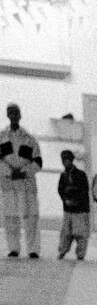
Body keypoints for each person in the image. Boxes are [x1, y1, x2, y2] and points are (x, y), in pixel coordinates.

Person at [0, 101, 42, 258]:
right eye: (10, 112)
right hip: (8, 185)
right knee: (10, 217)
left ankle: (33, 250)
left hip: (27, 184)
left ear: (20, 115)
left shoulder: (29, 140)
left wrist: (23, 173)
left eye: (15, 112)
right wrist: (9, 173)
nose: (13, 115)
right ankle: (13, 248)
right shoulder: (1, 138)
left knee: (31, 217)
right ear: (7, 115)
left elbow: (37, 162)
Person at [56, 150, 91, 261]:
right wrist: (66, 200)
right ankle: (62, 251)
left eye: (67, 160)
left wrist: (75, 200)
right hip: (68, 209)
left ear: (71, 160)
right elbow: (60, 190)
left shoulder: (81, 174)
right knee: (66, 232)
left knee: (80, 233)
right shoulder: (63, 175)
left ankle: (80, 254)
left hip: (80, 209)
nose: (65, 162)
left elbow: (84, 191)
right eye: (64, 160)